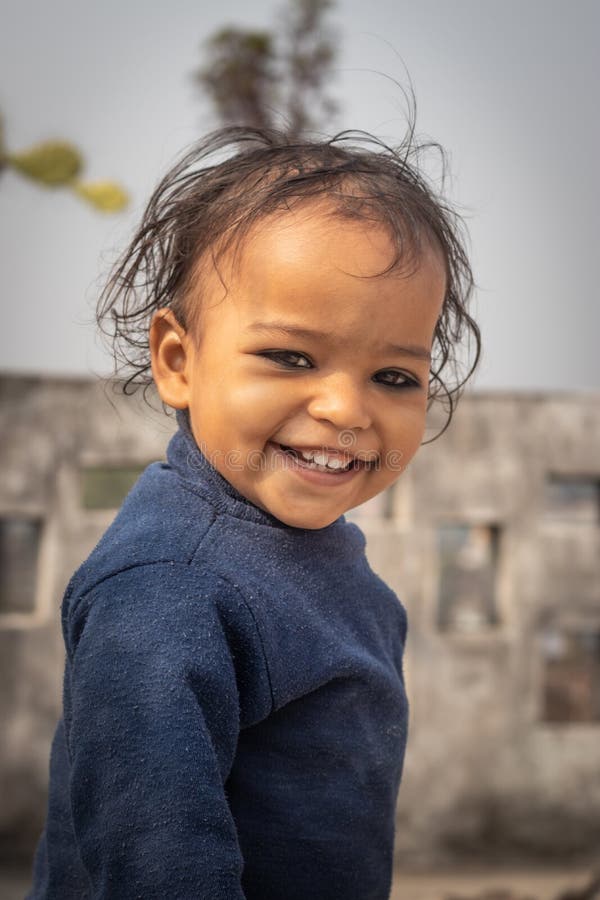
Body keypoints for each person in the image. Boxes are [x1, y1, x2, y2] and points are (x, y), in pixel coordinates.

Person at [28, 125, 480, 899]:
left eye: (394, 376)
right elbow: (156, 863)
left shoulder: (322, 557)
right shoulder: (169, 588)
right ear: (178, 360)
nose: (346, 408)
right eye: (291, 358)